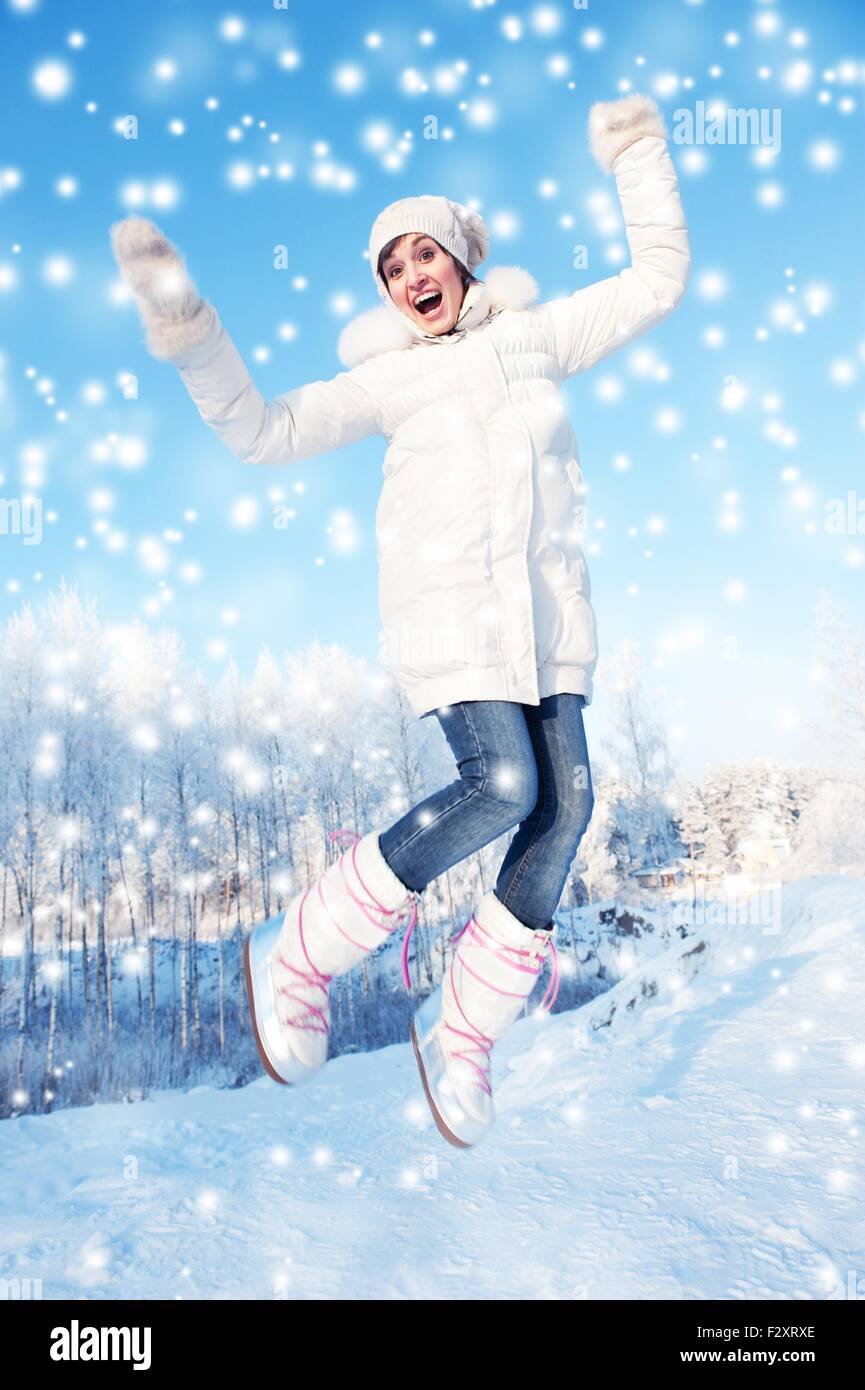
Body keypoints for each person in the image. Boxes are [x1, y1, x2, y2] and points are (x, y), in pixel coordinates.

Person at [110, 92, 690, 1148]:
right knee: (503, 783)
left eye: (425, 253)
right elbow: (262, 429)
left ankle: (460, 1034)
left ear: (464, 257)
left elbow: (657, 280)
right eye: (391, 267)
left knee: (564, 810)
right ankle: (299, 951)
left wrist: (637, 155)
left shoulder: (537, 339)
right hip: (454, 618)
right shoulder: (386, 381)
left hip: (549, 624)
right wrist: (191, 329)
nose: (411, 276)